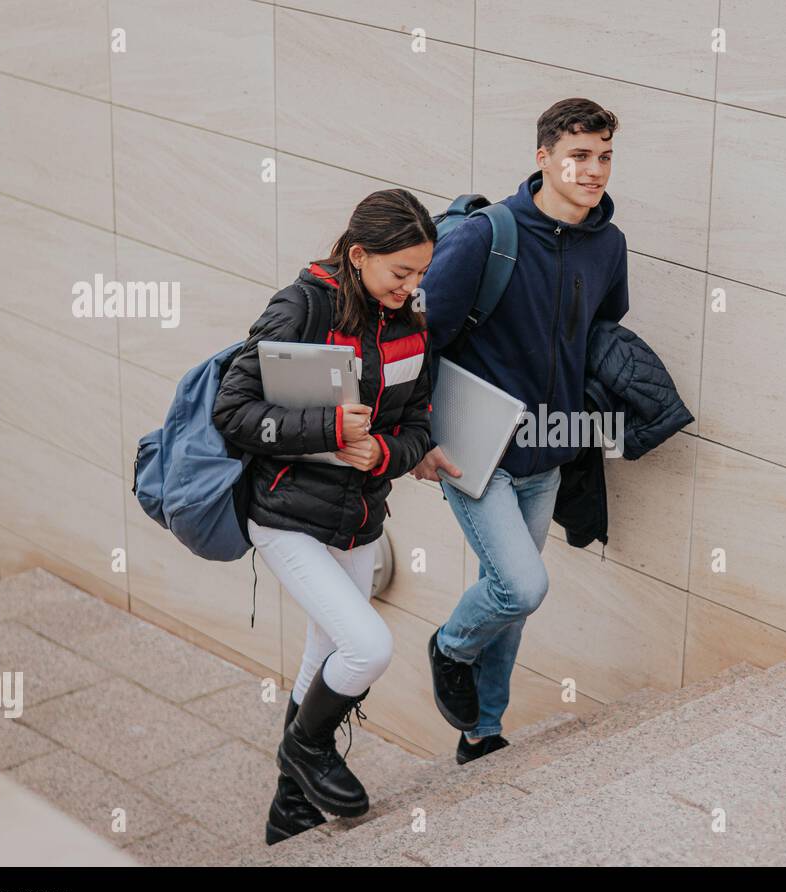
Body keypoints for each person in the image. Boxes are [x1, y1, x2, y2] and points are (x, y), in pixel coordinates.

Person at [212, 189, 435, 843]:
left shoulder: (413, 322)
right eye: (401, 273)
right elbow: (235, 411)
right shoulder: (302, 305)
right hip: (285, 514)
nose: (412, 287)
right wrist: (331, 427)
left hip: (359, 516)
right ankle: (307, 750)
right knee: (367, 646)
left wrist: (385, 451)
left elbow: (421, 423)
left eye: (422, 274)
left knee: (323, 654)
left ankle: (290, 811)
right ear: (360, 255)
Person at [412, 98, 629, 764]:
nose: (594, 171)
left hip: (549, 452)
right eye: (580, 155)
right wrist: (418, 437)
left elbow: (599, 330)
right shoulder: (488, 235)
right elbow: (423, 334)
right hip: (477, 451)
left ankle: (483, 734)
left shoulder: (609, 244)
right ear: (544, 157)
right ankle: (447, 647)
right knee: (522, 585)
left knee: (510, 599)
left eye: (604, 157)